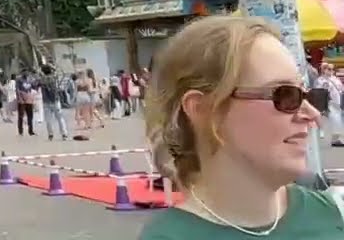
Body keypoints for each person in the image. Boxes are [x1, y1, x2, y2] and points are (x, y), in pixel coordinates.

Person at [138, 15, 344, 239]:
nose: (311, 114)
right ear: (204, 109)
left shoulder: (333, 215)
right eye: (284, 94)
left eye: (308, 95)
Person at [38, 65, 69, 141]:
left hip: (46, 101)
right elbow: (62, 73)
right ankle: (64, 134)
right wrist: (53, 67)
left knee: (48, 120)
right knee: (60, 118)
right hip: (55, 100)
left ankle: (50, 134)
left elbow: (37, 79)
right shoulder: (53, 77)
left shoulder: (42, 79)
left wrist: (39, 72)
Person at [16, 70, 36, 137]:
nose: (26, 73)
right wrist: (20, 98)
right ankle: (20, 131)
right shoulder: (19, 79)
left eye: (27, 72)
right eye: (25, 72)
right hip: (22, 99)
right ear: (22, 73)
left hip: (29, 99)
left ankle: (31, 131)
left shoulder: (30, 79)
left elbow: (33, 87)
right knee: (21, 116)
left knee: (30, 115)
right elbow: (17, 89)